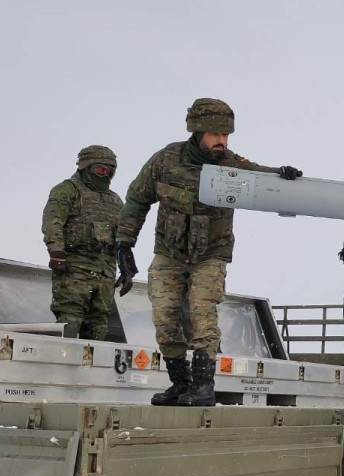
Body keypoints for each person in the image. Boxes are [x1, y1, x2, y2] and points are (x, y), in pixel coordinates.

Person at [116, 97, 302, 407]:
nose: (222, 141)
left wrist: (282, 176)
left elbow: (261, 177)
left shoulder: (231, 164)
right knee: (164, 317)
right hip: (169, 252)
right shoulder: (165, 160)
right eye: (216, 135)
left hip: (210, 255)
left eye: (226, 135)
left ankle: (203, 386)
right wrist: (124, 243)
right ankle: (180, 383)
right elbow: (137, 200)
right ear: (198, 131)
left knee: (202, 314)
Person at [42, 144, 125, 340]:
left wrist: (125, 266)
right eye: (100, 170)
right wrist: (56, 252)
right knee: (70, 317)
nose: (105, 175)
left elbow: (123, 236)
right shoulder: (66, 191)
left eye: (110, 172)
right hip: (75, 266)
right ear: (86, 167)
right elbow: (52, 222)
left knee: (99, 322)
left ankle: (91, 367)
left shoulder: (115, 201)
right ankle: (63, 362)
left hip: (105, 270)